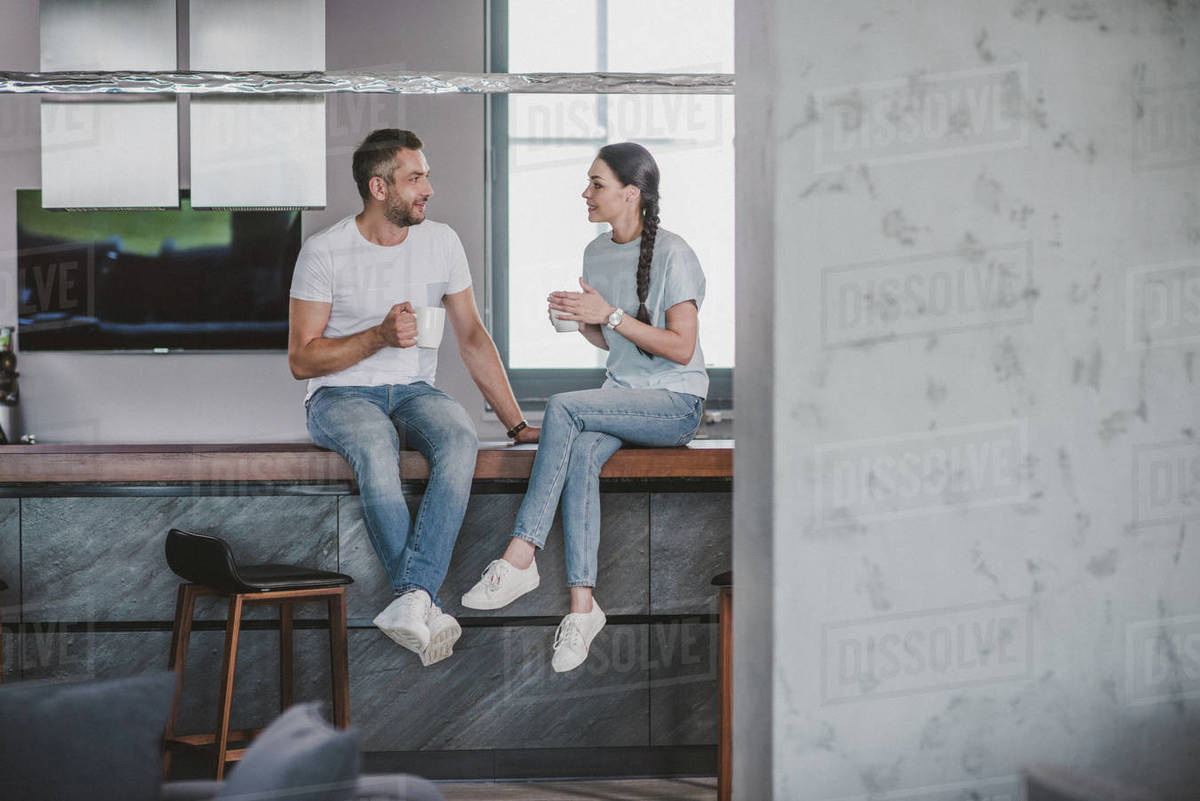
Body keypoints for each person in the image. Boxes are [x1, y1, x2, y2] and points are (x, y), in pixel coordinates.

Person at [288, 129, 539, 667]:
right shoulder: (324, 251)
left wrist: (517, 425)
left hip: (415, 392)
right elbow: (302, 360)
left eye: (426, 175)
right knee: (376, 446)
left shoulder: (442, 242)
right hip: (339, 396)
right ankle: (424, 597)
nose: (429, 188)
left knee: (459, 435)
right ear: (380, 187)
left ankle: (413, 599)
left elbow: (471, 336)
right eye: (415, 178)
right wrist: (376, 337)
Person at [461, 142, 708, 673]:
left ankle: (521, 554)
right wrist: (581, 321)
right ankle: (582, 607)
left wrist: (611, 315)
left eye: (596, 184)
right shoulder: (595, 253)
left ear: (631, 193)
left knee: (564, 409)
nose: (586, 193)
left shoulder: (674, 252)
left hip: (675, 402)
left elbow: (681, 348)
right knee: (580, 455)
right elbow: (613, 343)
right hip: (623, 398)